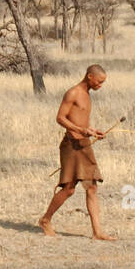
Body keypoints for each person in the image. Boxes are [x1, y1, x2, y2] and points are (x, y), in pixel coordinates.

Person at [38, 64, 116, 241]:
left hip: (84, 144)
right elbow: (60, 118)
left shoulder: (87, 94)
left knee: (92, 187)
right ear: (90, 76)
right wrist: (81, 130)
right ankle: (45, 220)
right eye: (99, 81)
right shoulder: (73, 92)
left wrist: (93, 131)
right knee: (69, 189)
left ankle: (97, 232)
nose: (100, 85)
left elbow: (80, 120)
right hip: (71, 145)